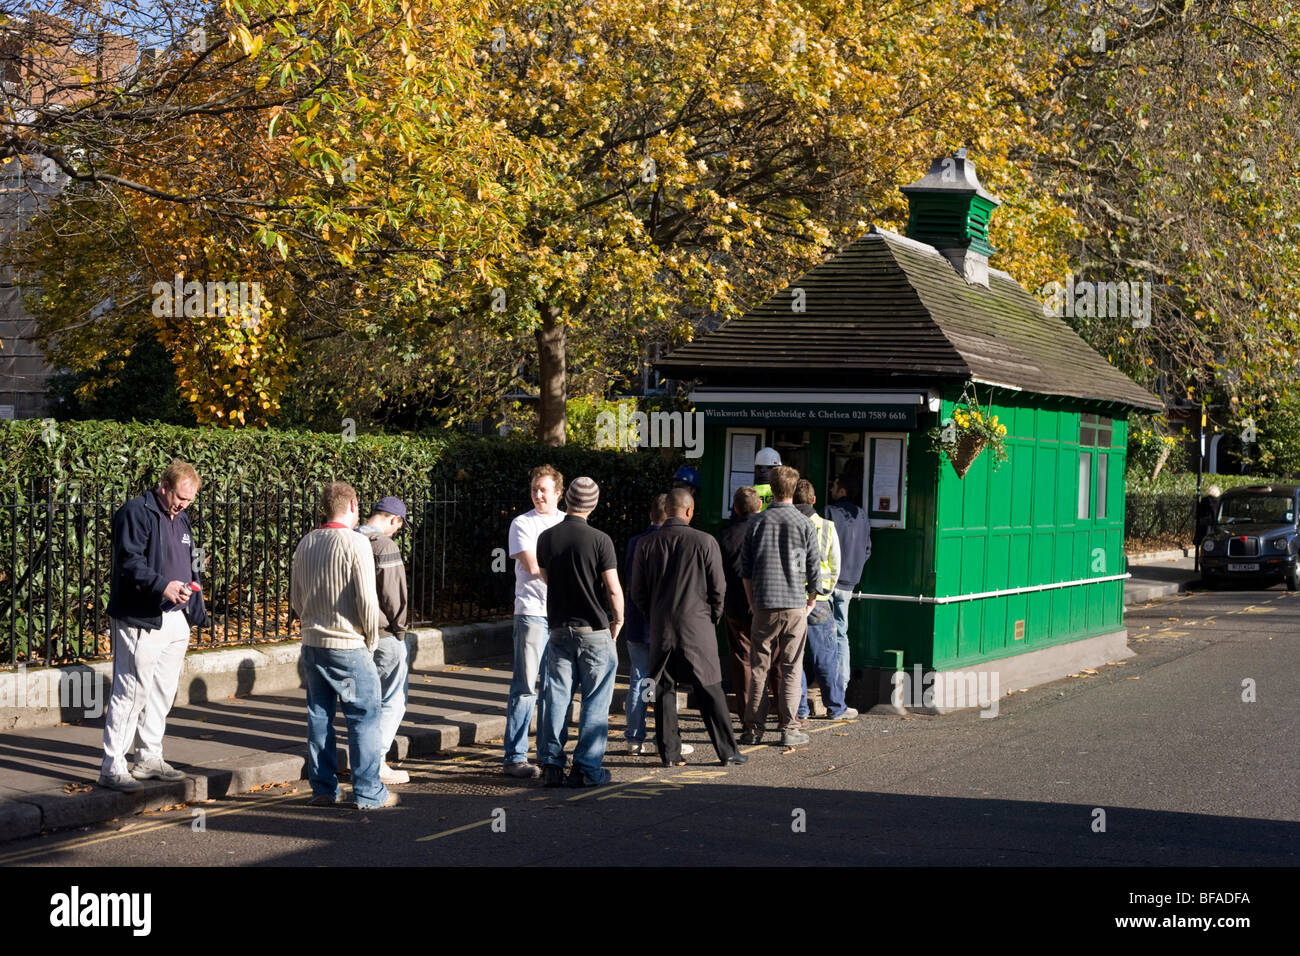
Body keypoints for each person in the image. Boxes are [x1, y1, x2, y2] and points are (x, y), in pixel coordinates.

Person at [100, 460, 209, 792]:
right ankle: (112, 765)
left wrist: (195, 583)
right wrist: (163, 585)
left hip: (176, 616)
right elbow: (128, 560)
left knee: (162, 691)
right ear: (164, 486)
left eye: (190, 500)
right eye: (180, 497)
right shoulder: (135, 512)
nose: (184, 505)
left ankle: (148, 757)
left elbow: (192, 558)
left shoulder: (182, 518)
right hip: (141, 617)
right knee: (131, 691)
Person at [291, 481, 395, 810]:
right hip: (348, 643)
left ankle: (323, 790)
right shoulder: (356, 543)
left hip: (312, 642)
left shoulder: (305, 543)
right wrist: (370, 639)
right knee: (363, 716)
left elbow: (295, 599)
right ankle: (368, 793)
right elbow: (367, 600)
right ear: (352, 505)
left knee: (319, 717)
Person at [630, 488, 745, 767]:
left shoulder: (647, 544)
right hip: (697, 626)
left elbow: (637, 591)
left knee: (663, 691)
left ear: (667, 510)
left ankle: (669, 754)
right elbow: (719, 588)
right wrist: (712, 617)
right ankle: (727, 752)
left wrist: (653, 615)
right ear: (690, 511)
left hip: (662, 628)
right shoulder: (705, 542)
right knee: (710, 689)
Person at [536, 477, 624, 787]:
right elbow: (612, 589)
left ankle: (550, 764)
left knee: (556, 697)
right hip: (594, 629)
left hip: (559, 627)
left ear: (567, 500)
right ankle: (586, 768)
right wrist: (618, 619)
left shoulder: (546, 538)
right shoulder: (601, 540)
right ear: (594, 504)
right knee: (596, 700)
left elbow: (547, 578)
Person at [740, 465, 819, 748]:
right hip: (795, 603)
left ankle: (753, 729)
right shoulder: (804, 524)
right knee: (791, 667)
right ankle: (789, 728)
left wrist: (752, 600)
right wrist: (811, 599)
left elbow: (745, 570)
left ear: (771, 489)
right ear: (793, 489)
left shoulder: (756, 523)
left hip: (764, 604)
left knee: (759, 666)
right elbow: (813, 568)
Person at [503, 465, 566, 779]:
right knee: (526, 687)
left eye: (544, 489)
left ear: (558, 492)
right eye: (534, 489)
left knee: (553, 688)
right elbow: (532, 566)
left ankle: (547, 754)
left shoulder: (568, 522)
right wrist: (570, 583)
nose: (538, 495)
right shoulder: (522, 523)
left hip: (560, 615)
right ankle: (514, 757)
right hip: (532, 613)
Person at [622, 494, 692, 756]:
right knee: (666, 683)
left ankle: (634, 737)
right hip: (665, 623)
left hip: (638, 622)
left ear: (651, 515)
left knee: (639, 680)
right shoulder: (674, 542)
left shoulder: (634, 543)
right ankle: (665, 737)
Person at [356, 496, 411, 786]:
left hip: (354, 632)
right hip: (384, 632)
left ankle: (362, 759)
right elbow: (394, 595)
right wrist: (401, 630)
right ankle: (375, 762)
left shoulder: (350, 538)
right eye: (399, 526)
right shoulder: (384, 545)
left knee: (366, 701)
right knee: (393, 699)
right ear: (394, 520)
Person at [793, 479, 857, 721]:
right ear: (813, 500)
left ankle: (800, 710)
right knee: (826, 656)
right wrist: (823, 593)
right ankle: (836, 708)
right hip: (818, 600)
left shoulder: (788, 525)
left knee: (794, 658)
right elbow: (835, 566)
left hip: (792, 600)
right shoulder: (827, 527)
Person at [716, 485, 780, 718]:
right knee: (774, 656)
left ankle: (748, 714)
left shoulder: (725, 535)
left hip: (736, 604)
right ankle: (782, 712)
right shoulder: (770, 531)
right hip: (768, 602)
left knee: (742, 659)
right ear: (760, 505)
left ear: (735, 508)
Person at [825, 474, 871, 699]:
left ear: (841, 491)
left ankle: (827, 683)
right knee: (842, 633)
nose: (831, 489)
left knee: (824, 633)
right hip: (850, 582)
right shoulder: (862, 515)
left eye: (833, 486)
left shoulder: (829, 512)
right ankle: (841, 684)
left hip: (829, 582)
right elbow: (867, 549)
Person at [1194, 484, 1221, 572]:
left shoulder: (1205, 500)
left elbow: (1199, 514)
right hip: (1215, 526)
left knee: (1203, 546)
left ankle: (1202, 564)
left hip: (1204, 526)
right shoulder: (1219, 501)